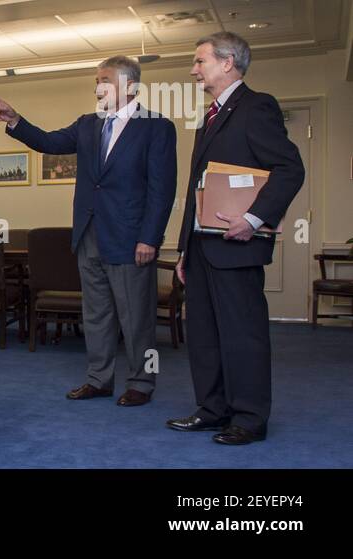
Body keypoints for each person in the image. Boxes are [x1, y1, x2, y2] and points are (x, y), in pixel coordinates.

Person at [0, 55, 177, 406]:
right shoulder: (88, 124)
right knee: (96, 314)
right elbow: (49, 142)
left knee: (136, 317)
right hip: (89, 235)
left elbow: (162, 190)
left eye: (103, 79)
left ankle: (140, 383)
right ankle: (99, 379)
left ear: (129, 85)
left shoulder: (156, 127)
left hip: (131, 238)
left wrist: (150, 238)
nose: (97, 86)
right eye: (96, 80)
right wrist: (16, 122)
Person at [166, 32, 304, 445]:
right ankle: (212, 410)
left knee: (243, 335)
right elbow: (197, 188)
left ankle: (249, 419)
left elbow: (289, 169)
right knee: (204, 335)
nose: (193, 69)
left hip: (237, 246)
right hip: (202, 247)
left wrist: (253, 217)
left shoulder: (257, 106)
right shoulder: (208, 116)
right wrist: (183, 250)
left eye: (200, 61)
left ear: (227, 63)